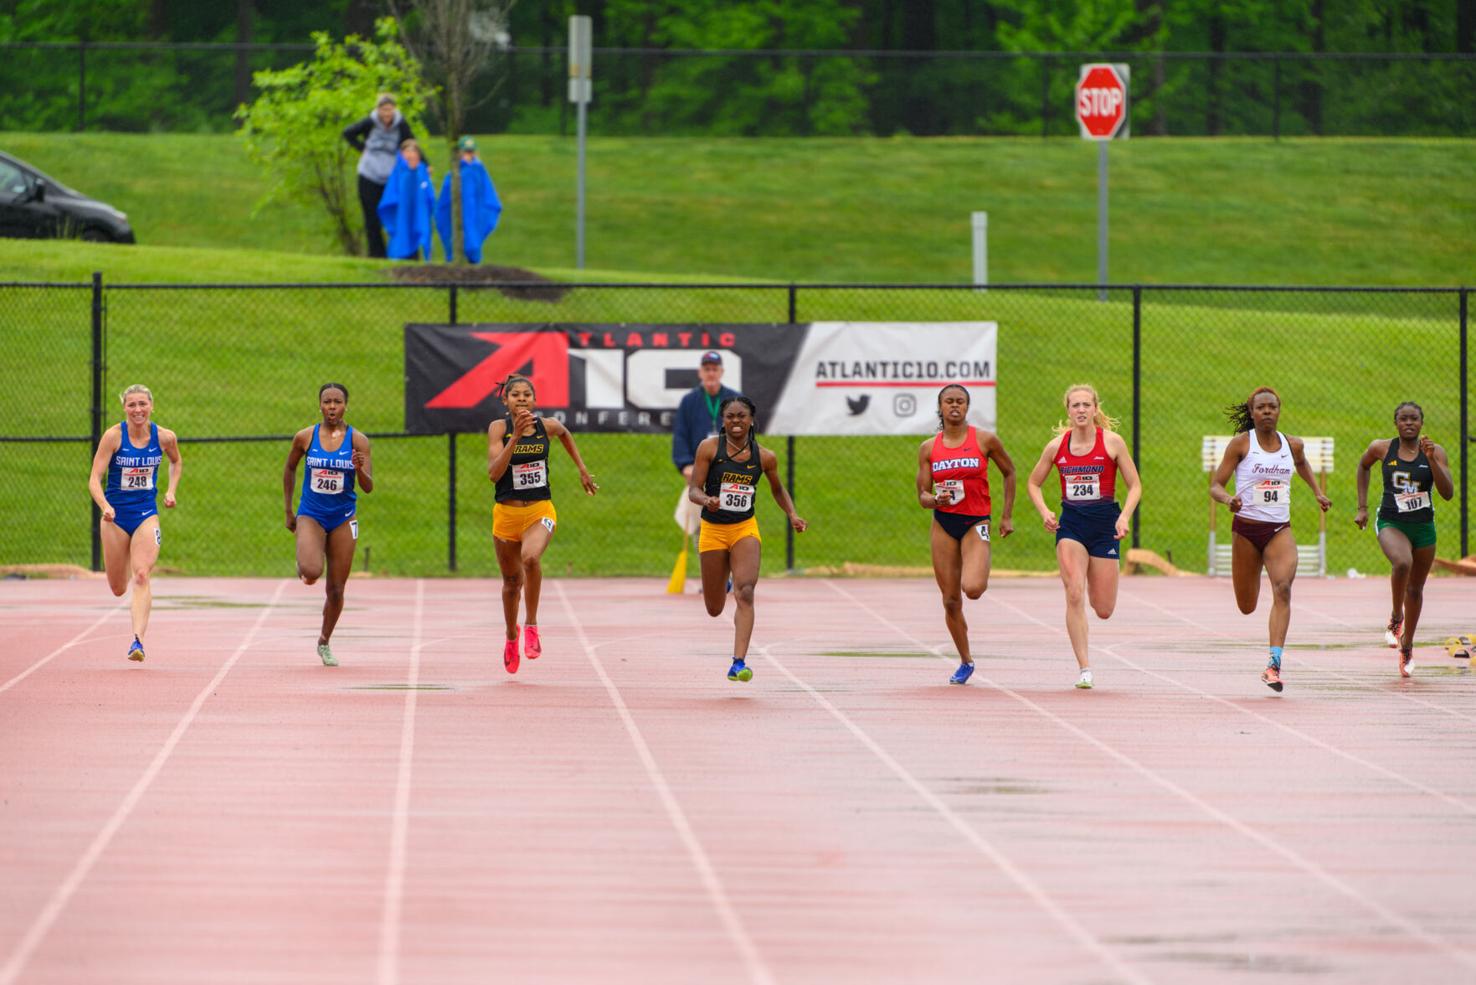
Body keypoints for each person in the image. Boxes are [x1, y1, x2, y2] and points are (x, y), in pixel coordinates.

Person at [1209, 387, 1330, 692]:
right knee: (1247, 605)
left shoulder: (1293, 445)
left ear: (1279, 411)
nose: (1266, 412)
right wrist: (1227, 500)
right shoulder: (1241, 444)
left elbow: (1301, 464)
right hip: (1247, 530)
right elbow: (1216, 485)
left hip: (1279, 530)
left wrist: (1317, 492)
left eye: (1271, 407)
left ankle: (1274, 665)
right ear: (1251, 413)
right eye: (1260, 408)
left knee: (1284, 588)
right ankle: (1270, 655)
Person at [1025, 384, 1142, 690]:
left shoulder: (1112, 443)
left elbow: (1135, 486)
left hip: (1105, 526)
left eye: (1085, 405)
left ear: (1094, 409)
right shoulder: (1056, 446)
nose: (1080, 410)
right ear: (1068, 410)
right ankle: (1085, 668)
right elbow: (1034, 483)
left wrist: (1124, 516)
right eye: (1075, 405)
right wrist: (1045, 512)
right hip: (1072, 526)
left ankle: (1095, 577)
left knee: (1103, 609)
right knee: (1074, 592)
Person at [687, 395, 806, 683]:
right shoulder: (709, 449)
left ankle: (738, 662)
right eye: (730, 416)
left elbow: (778, 489)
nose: (736, 421)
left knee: (747, 592)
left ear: (752, 419)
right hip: (713, 530)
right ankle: (724, 580)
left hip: (744, 528)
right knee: (714, 609)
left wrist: (792, 514)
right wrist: (706, 500)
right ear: (723, 421)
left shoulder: (765, 457)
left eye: (742, 416)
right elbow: (693, 489)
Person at [487, 373, 598, 673]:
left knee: (531, 558)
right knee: (511, 583)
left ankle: (532, 624)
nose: (521, 399)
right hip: (507, 515)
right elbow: (494, 473)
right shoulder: (499, 429)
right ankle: (512, 636)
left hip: (540, 511)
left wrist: (582, 468)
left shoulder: (545, 426)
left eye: (527, 394)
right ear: (505, 400)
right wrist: (516, 439)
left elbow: (564, 432)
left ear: (534, 400)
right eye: (515, 395)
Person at [916, 384, 1016, 685]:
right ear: (941, 407)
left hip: (976, 521)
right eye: (949, 402)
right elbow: (922, 494)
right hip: (944, 523)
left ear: (967, 407)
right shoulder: (929, 448)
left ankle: (977, 562)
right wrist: (934, 500)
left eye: (960, 401)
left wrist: (1006, 515)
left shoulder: (985, 440)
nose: (955, 406)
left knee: (972, 588)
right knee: (950, 600)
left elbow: (1009, 472)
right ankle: (965, 660)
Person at [1354, 401, 1454, 677]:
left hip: (1423, 527)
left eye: (1414, 419)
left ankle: (1407, 644)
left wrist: (1432, 460)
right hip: (1391, 521)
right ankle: (1396, 617)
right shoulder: (1382, 448)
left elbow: (1447, 493)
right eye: (1403, 419)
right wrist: (1362, 507)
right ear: (1395, 423)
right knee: (1401, 563)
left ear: (1421, 423)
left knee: (1417, 590)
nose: (1409, 423)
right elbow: (1363, 467)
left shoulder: (1435, 452)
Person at [87, 384, 182, 662]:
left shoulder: (164, 437)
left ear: (152, 405)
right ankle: (125, 556)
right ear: (124, 408)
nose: (138, 410)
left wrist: (171, 490)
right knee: (118, 588)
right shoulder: (113, 437)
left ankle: (137, 641)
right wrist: (105, 506)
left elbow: (176, 463)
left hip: (145, 514)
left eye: (143, 404)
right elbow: (94, 479)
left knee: (141, 574)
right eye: (132, 405)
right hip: (115, 517)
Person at [283, 383, 373, 667]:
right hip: (311, 513)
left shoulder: (358, 441)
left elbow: (368, 487)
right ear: (319, 405)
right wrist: (289, 510)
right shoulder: (305, 437)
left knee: (336, 589)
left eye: (337, 402)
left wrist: (359, 469)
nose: (332, 407)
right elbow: (289, 468)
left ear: (346, 405)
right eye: (327, 402)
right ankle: (305, 560)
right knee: (311, 571)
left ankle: (324, 641)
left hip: (344, 516)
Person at [672, 350, 740, 546]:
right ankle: (710, 573)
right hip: (700, 473)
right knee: (702, 527)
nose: (711, 373)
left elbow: (743, 435)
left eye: (715, 369)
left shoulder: (734, 400)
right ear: (700, 372)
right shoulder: (689, 401)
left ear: (721, 372)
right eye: (707, 369)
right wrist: (685, 465)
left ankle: (729, 574)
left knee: (731, 525)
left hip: (728, 474)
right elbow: (680, 435)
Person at [343, 94, 414, 259]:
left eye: (389, 109)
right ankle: (376, 255)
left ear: (394, 110)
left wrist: (425, 163)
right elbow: (347, 133)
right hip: (368, 174)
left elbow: (411, 143)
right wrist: (362, 149)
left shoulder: (401, 125)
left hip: (390, 177)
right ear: (378, 110)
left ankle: (398, 252)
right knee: (371, 218)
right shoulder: (370, 122)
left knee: (393, 214)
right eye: (383, 110)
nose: (387, 114)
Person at [435, 136, 502, 264]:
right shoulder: (454, 173)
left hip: (474, 214)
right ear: (459, 153)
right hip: (457, 214)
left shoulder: (479, 171)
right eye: (465, 152)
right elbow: (444, 200)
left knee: (472, 242)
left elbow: (487, 195)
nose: (468, 155)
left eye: (471, 152)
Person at [376, 139, 436, 261]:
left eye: (413, 151)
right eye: (407, 151)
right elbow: (390, 195)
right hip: (402, 213)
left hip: (418, 212)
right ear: (402, 154)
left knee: (417, 233)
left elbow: (429, 194)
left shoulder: (422, 171)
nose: (410, 154)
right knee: (402, 234)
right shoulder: (398, 171)